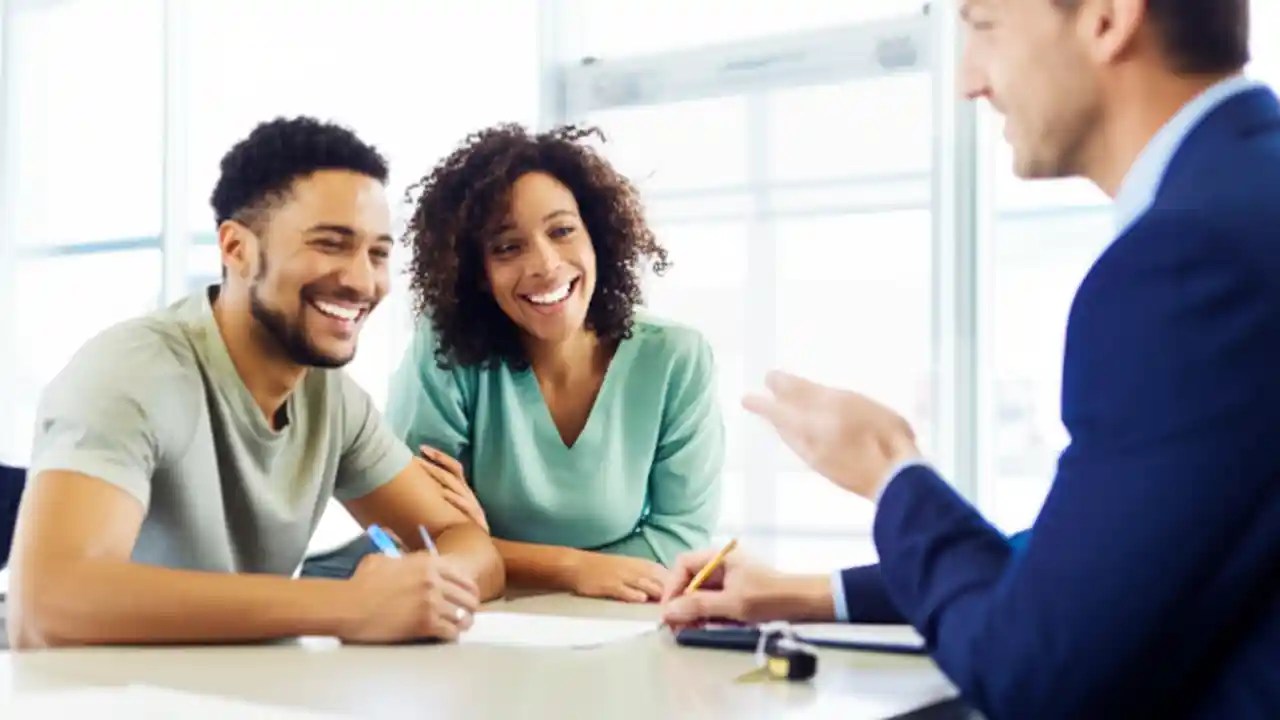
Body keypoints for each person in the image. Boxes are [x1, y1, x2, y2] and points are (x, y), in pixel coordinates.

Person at [661, 1, 1280, 718]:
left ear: (1108, 19)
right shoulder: (1247, 201)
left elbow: (1036, 675)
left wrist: (891, 471)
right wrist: (813, 593)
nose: (968, 81)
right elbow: (1112, 549)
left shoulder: (1188, 259)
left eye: (985, 27)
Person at [7, 117, 504, 649]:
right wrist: (348, 605)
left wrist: (429, 586)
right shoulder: (131, 371)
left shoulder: (329, 397)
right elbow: (47, 603)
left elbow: (466, 542)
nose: (363, 280)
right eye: (331, 244)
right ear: (236, 249)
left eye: (377, 254)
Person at [343, 124, 724, 603]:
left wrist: (488, 548)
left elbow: (682, 542)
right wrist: (574, 568)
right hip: (481, 627)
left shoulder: (675, 358)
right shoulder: (445, 353)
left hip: (624, 622)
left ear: (598, 236)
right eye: (507, 247)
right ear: (477, 273)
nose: (545, 264)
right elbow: (416, 535)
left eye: (562, 231)